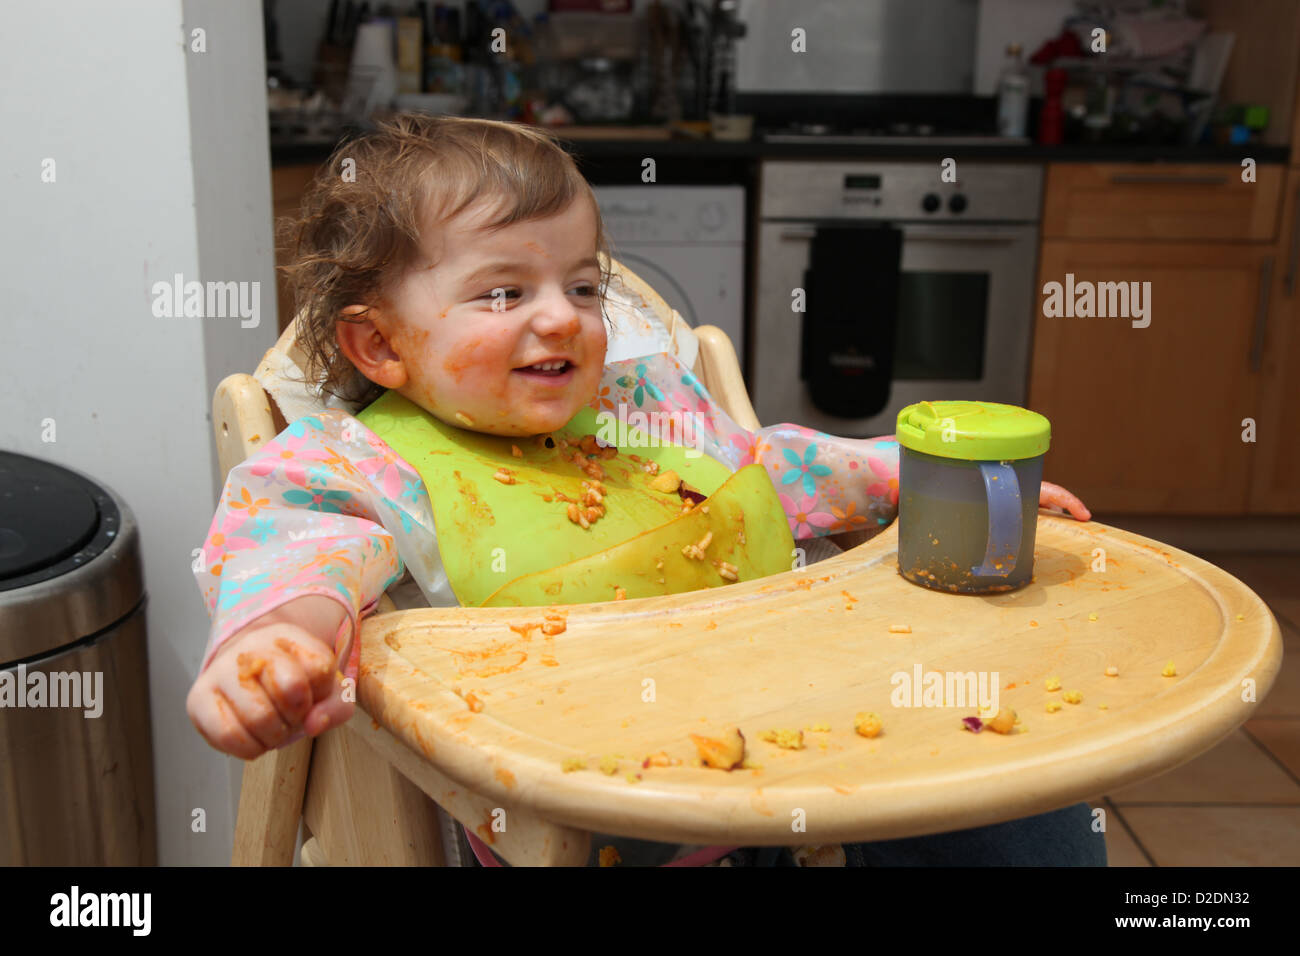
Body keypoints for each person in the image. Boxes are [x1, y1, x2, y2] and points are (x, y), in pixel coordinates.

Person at [187, 114, 1099, 866]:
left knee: (1020, 792)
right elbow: (294, 545)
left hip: (782, 748)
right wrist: (279, 644)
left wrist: (920, 481)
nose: (563, 316)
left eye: (583, 286)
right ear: (382, 345)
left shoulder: (642, 402)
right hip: (579, 800)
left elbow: (767, 474)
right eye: (502, 294)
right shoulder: (360, 462)